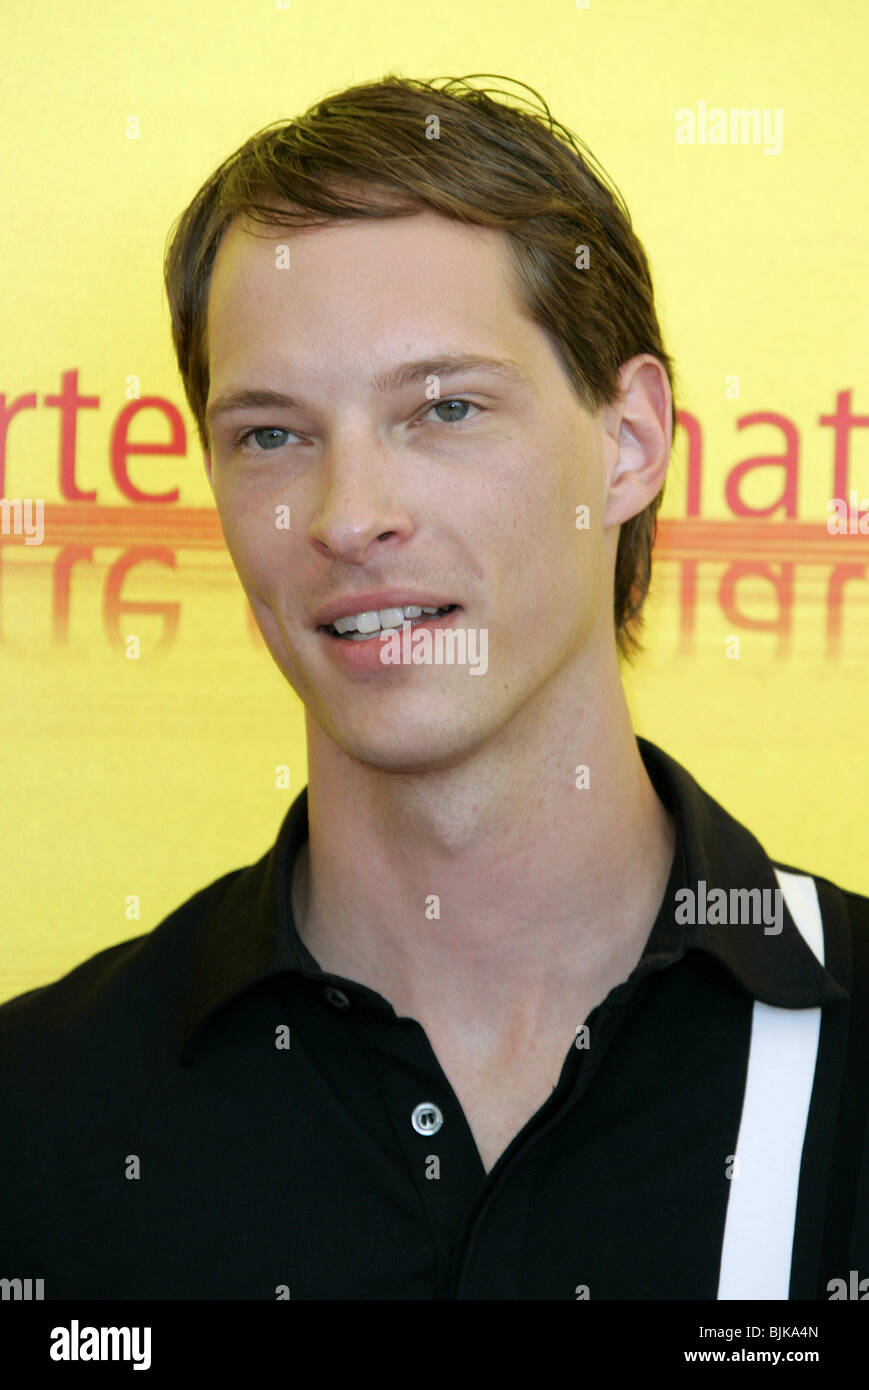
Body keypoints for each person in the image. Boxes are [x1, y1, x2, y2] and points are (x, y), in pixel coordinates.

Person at [1, 74, 867, 1302]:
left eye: (443, 408)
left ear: (626, 442)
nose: (350, 517)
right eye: (271, 434)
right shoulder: (41, 1115)